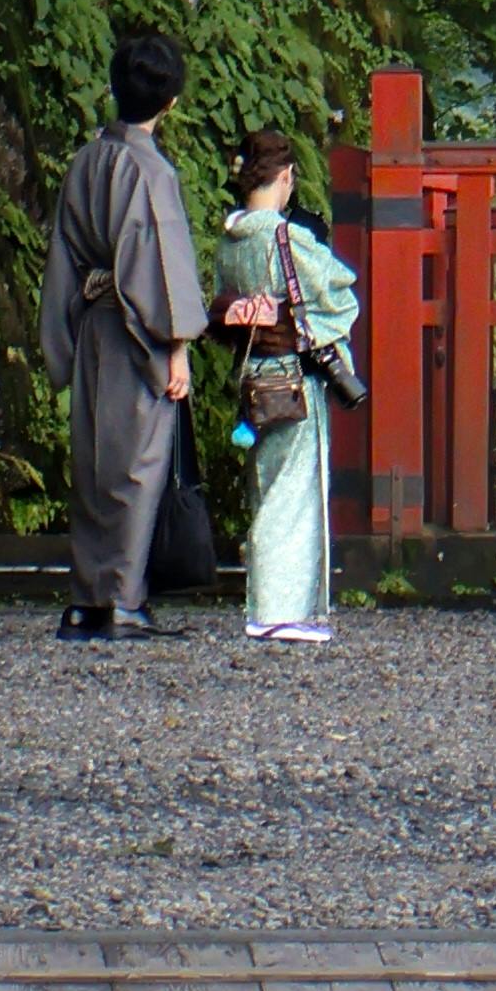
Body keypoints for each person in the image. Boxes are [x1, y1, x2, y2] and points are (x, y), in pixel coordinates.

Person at [39, 30, 207, 643]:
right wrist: (177, 346)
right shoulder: (149, 170)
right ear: (171, 104)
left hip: (91, 330)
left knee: (94, 462)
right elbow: (157, 266)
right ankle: (123, 601)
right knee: (138, 463)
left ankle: (86, 597)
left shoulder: (86, 160)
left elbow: (64, 255)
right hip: (139, 332)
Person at [212, 126, 361, 647]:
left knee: (265, 486)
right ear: (287, 177)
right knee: (292, 493)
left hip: (253, 377)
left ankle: (270, 602)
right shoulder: (287, 238)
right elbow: (340, 295)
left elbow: (220, 309)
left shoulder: (229, 242)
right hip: (294, 378)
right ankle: (281, 608)